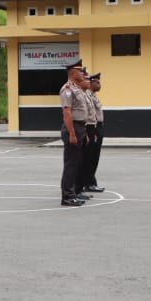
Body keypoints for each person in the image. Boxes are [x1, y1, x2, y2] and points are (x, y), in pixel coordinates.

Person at [58, 61, 89, 206]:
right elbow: (67, 112)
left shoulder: (77, 89)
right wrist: (72, 133)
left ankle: (73, 193)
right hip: (73, 128)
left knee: (77, 163)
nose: (83, 73)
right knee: (71, 164)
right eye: (80, 71)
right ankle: (67, 196)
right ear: (73, 73)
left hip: (80, 127)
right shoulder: (67, 89)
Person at [82, 74, 105, 194]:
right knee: (91, 157)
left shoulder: (93, 95)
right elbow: (88, 114)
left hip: (98, 127)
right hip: (93, 128)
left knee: (95, 157)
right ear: (91, 83)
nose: (100, 85)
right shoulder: (87, 95)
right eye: (97, 82)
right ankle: (89, 183)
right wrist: (93, 130)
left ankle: (91, 182)